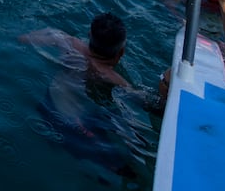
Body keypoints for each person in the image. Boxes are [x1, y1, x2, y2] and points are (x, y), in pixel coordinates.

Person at [20, 14, 143, 176]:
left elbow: (23, 39)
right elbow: (143, 101)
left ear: (88, 35)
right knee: (128, 167)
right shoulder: (113, 78)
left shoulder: (66, 42)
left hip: (48, 104)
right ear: (121, 53)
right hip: (75, 126)